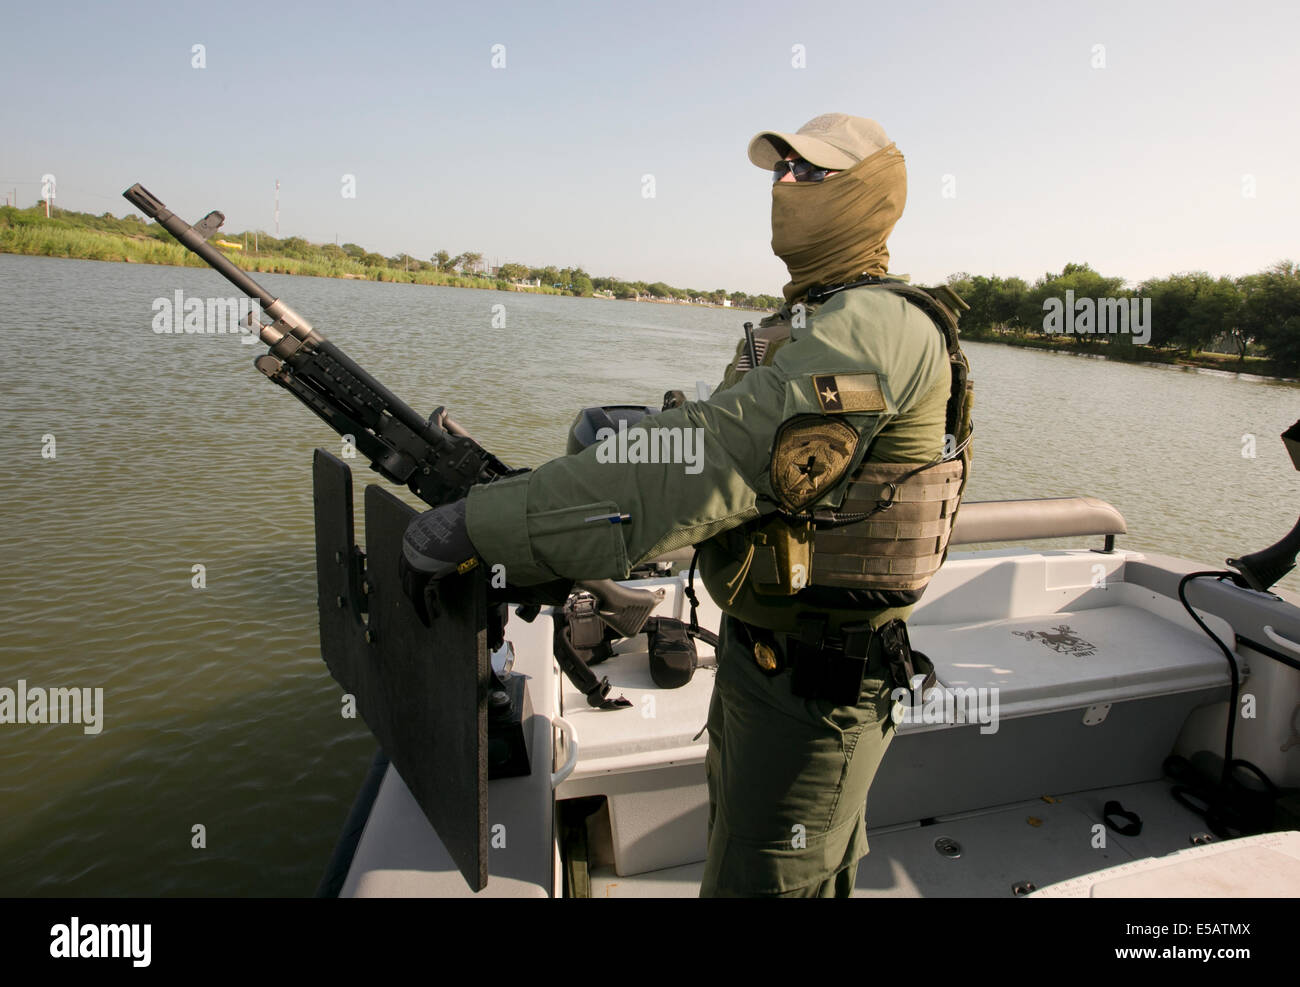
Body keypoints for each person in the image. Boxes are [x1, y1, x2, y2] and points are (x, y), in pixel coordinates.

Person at [402, 113, 972, 897]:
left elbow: (713, 459)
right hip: (760, 657)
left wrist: (489, 520)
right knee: (754, 856)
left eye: (810, 173)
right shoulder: (812, 321)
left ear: (870, 192)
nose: (784, 186)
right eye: (779, 171)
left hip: (818, 686)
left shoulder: (876, 327)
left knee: (767, 880)